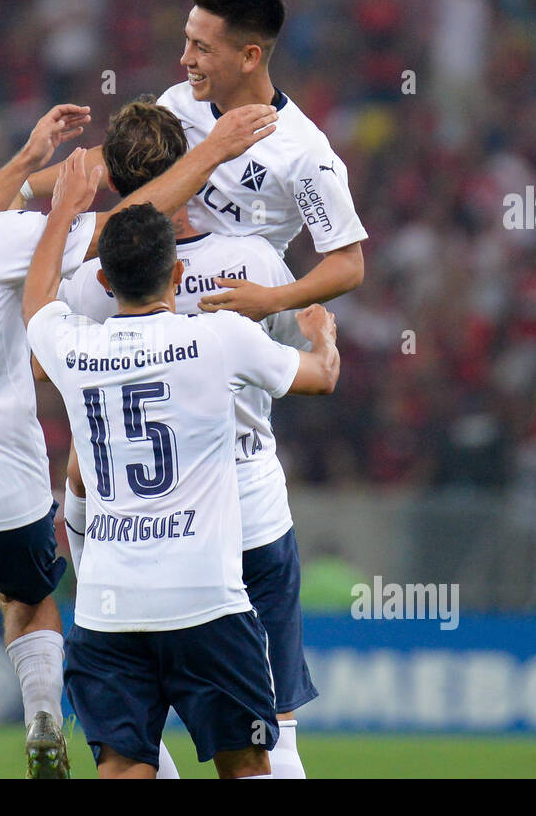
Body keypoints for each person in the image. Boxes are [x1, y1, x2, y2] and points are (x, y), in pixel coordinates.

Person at [0, 101, 276, 778]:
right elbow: (120, 230)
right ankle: (44, 707)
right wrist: (212, 150)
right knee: (28, 597)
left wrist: (26, 163)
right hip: (6, 492)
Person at [23, 149, 340, 778]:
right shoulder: (219, 338)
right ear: (176, 275)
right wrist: (322, 333)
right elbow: (320, 378)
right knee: (249, 765)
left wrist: (63, 212)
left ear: (106, 284)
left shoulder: (74, 346)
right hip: (208, 605)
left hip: (109, 606)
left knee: (121, 766)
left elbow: (37, 302)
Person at [22, 0, 367, 319]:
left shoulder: (304, 150)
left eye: (202, 48)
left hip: (229, 299)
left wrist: (275, 299)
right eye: (188, 41)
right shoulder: (180, 101)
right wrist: (23, 188)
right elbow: (120, 160)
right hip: (159, 285)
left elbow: (348, 264)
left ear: (249, 57)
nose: (185, 59)